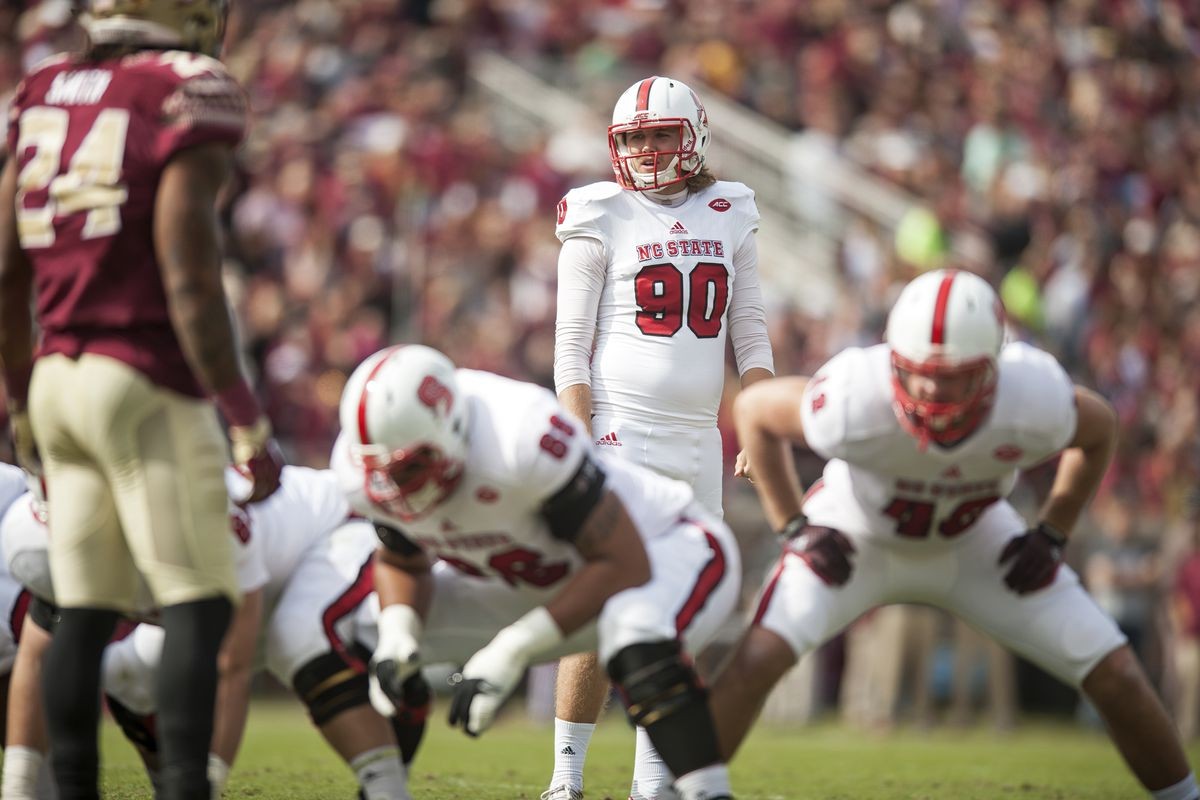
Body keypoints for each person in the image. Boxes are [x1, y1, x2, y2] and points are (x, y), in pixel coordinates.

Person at [709, 268, 1199, 800]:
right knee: (757, 657)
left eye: (953, 378)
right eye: (919, 372)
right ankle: (674, 791)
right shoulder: (855, 394)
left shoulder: (1032, 393)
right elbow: (754, 411)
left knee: (1117, 672)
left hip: (976, 540)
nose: (930, 390)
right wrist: (795, 529)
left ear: (992, 368)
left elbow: (1100, 428)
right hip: (859, 534)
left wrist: (1054, 531)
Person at [0, 2, 285, 795]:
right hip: (145, 374)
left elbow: (5, 268)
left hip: (58, 371)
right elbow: (188, 271)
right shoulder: (185, 87)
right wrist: (242, 414)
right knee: (197, 600)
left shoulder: (42, 88)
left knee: (83, 608)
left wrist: (23, 396)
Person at [334, 344, 741, 800]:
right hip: (533, 575)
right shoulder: (364, 467)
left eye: (413, 470)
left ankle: (705, 791)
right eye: (388, 475)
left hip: (668, 552)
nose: (400, 490)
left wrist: (513, 649)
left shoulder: (520, 435)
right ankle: (384, 789)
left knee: (637, 628)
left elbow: (622, 563)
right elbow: (399, 559)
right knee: (363, 629)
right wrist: (399, 634)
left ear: (451, 425)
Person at [550, 74, 774, 800]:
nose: (644, 151)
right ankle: (566, 779)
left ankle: (653, 784)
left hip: (697, 442)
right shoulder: (599, 212)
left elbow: (750, 332)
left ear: (694, 136)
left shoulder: (731, 208)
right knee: (602, 605)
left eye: (657, 135)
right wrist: (581, 439)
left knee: (681, 617)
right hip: (621, 431)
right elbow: (569, 348)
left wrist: (759, 423)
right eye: (633, 138)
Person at [0, 467, 415, 800]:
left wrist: (206, 783)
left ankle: (387, 789)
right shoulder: (37, 541)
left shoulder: (194, 521)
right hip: (233, 595)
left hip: (324, 539)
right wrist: (18, 784)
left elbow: (229, 669)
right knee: (127, 671)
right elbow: (36, 658)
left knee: (296, 637)